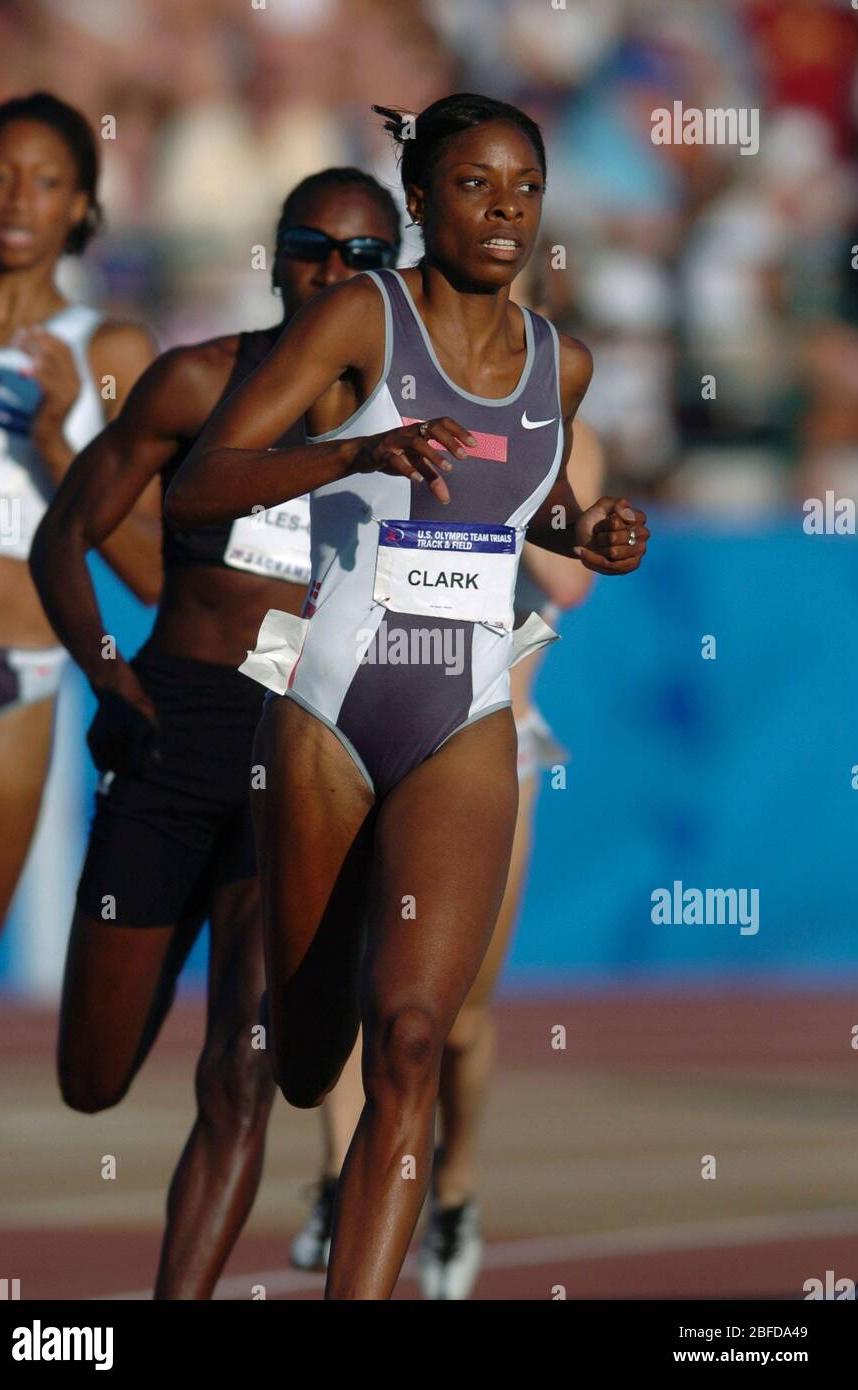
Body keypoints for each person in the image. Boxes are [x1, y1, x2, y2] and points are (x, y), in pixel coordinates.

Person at [166, 92, 649, 1300]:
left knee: (416, 1040)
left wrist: (589, 531)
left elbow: (522, 500)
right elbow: (201, 484)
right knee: (306, 1050)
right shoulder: (356, 318)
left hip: (464, 710)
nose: (504, 213)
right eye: (475, 186)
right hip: (328, 701)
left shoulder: (560, 360)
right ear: (421, 199)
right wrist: (357, 452)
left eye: (525, 190)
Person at [29, 167, 402, 1300]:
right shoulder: (198, 381)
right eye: (309, 247)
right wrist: (105, 678)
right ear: (275, 255)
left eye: (364, 259)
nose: (331, 274)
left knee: (241, 1068)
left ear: (393, 282)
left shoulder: (411, 424)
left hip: (301, 742)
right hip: (171, 720)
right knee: (91, 1079)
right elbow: (62, 539)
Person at [290, 421, 606, 1297]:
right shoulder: (374, 409)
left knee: (451, 1016)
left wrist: (506, 501)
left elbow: (569, 584)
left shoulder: (563, 427)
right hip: (354, 722)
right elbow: (302, 566)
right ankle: (336, 1182)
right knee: (356, 990)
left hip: (487, 742)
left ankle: (456, 1187)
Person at [0, 92, 157, 1092]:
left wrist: (55, 439)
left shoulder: (110, 353)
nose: (17, 200)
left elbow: (153, 563)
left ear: (83, 205)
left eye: (45, 181)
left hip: (15, 678)